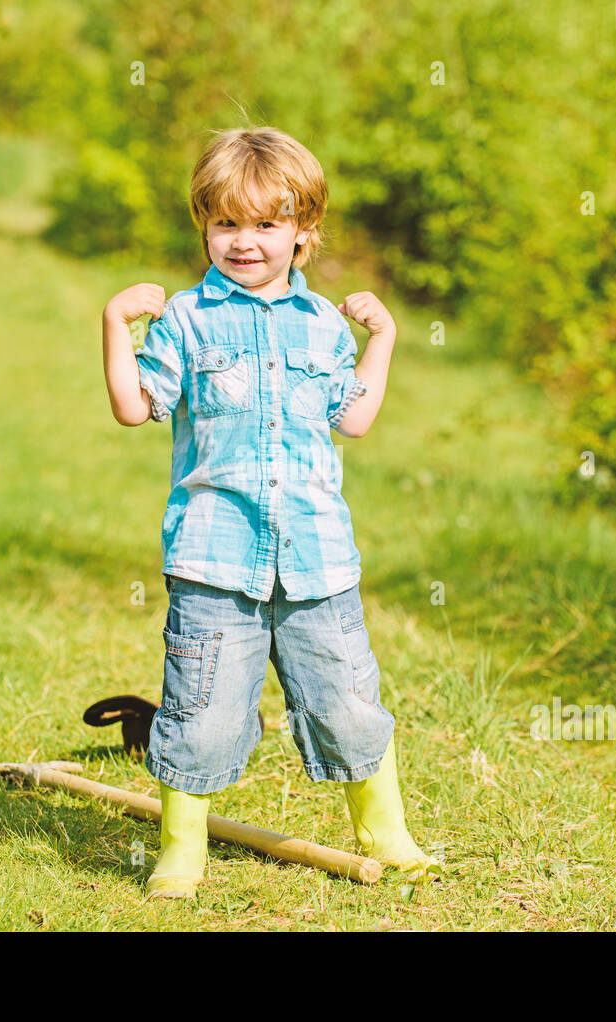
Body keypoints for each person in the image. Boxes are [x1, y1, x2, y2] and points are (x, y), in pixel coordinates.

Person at [101, 126, 442, 900]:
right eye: (225, 223)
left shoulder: (323, 323)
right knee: (204, 713)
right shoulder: (186, 319)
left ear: (304, 232)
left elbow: (352, 419)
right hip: (215, 554)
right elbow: (133, 406)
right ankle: (181, 850)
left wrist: (381, 339)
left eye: (265, 224)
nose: (244, 241)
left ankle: (385, 832)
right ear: (203, 227)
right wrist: (115, 327)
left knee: (349, 705)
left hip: (318, 557)